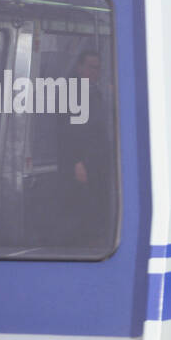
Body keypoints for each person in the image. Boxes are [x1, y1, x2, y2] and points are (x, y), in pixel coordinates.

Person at [55, 50, 115, 247]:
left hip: (97, 158)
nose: (94, 72)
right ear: (79, 67)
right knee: (80, 205)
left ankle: (94, 237)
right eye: (90, 67)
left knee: (96, 203)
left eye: (98, 68)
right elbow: (66, 130)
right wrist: (77, 162)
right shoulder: (71, 92)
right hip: (80, 160)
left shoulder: (95, 91)